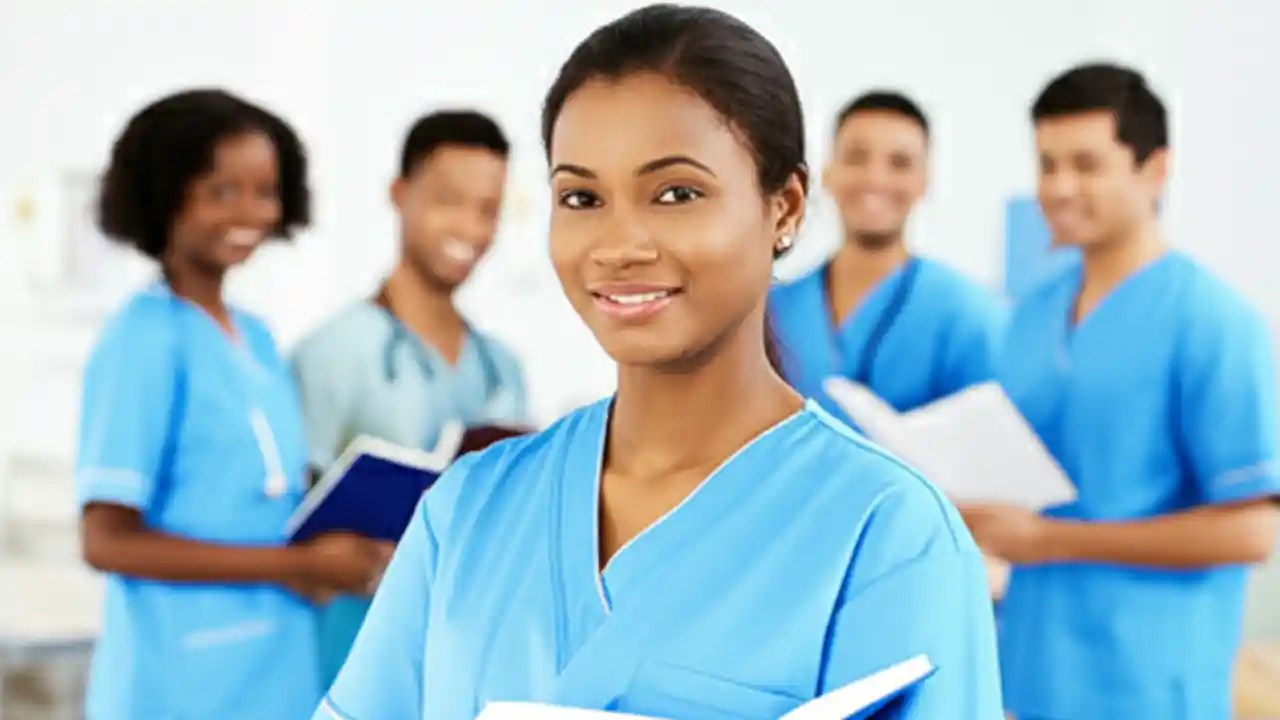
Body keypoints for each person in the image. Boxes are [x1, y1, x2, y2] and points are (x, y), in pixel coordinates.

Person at [314, 6, 1002, 719]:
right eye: (581, 197)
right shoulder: (468, 510)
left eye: (676, 193)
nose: (618, 244)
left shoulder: (888, 533)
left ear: (786, 207)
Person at [963, 64, 1280, 720]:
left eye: (1086, 164)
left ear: (1154, 170)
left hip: (1149, 687)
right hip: (1028, 676)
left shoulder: (1213, 322)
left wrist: (1051, 541)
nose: (1059, 187)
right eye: (1047, 164)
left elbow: (1254, 531)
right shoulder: (1028, 317)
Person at [77, 89, 392, 720]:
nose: (249, 211)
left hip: (272, 674)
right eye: (223, 191)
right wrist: (296, 565)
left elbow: (260, 496)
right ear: (167, 193)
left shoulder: (256, 337)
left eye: (265, 191)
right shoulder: (143, 339)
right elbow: (106, 541)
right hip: (179, 685)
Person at [291, 110, 529, 685]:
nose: (471, 229)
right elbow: (291, 540)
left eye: (488, 210)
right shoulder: (331, 353)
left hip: (465, 668)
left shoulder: (503, 368)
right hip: (350, 664)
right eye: (450, 200)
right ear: (400, 195)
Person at [768, 91, 1004, 421]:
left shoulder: (966, 315)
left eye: (900, 163)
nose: (875, 179)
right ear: (827, 173)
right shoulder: (773, 310)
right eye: (857, 157)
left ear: (923, 181)